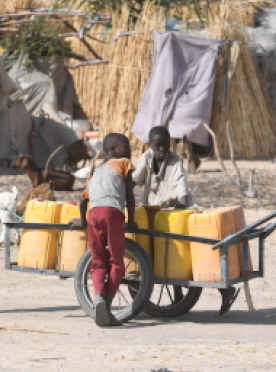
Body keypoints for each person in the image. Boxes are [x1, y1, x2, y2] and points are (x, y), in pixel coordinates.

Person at [132, 125, 239, 316]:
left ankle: (224, 290)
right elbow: (136, 179)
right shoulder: (145, 158)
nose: (162, 149)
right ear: (150, 145)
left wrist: (181, 206)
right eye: (158, 145)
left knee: (183, 254)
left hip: (175, 212)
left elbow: (181, 185)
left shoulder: (175, 161)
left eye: (165, 144)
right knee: (166, 255)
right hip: (153, 212)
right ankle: (179, 296)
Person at [74, 133, 137, 327]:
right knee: (116, 262)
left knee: (98, 261)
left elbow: (83, 200)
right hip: (112, 213)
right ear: (112, 150)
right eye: (125, 147)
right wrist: (132, 221)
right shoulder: (123, 163)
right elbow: (130, 195)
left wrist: (82, 220)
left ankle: (99, 298)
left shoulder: (96, 170)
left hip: (94, 214)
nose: (129, 151)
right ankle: (107, 307)